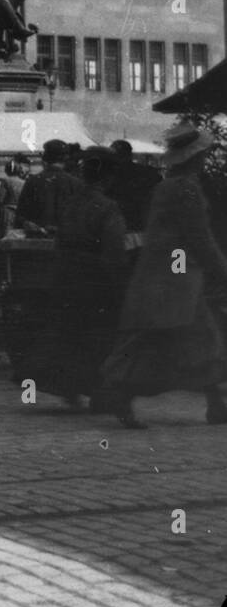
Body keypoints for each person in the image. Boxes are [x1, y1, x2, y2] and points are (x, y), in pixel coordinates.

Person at [101, 124, 227, 429]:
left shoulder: (164, 186)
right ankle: (213, 404)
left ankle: (215, 404)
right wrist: (221, 269)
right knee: (197, 337)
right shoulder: (188, 189)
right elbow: (199, 236)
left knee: (176, 337)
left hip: (157, 272)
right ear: (195, 156)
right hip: (179, 278)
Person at [16, 147, 129, 409]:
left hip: (67, 274)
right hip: (96, 278)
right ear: (109, 177)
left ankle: (70, 386)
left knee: (67, 334)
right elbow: (114, 250)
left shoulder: (72, 203)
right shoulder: (108, 207)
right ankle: (96, 390)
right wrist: (120, 282)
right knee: (98, 337)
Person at [16, 139, 84, 235]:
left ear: (45, 158)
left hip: (37, 240)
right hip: (65, 241)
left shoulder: (32, 181)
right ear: (65, 159)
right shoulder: (76, 183)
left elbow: (20, 216)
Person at [107, 139, 162, 233]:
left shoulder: (109, 175)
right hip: (141, 225)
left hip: (121, 225)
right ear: (130, 155)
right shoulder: (148, 172)